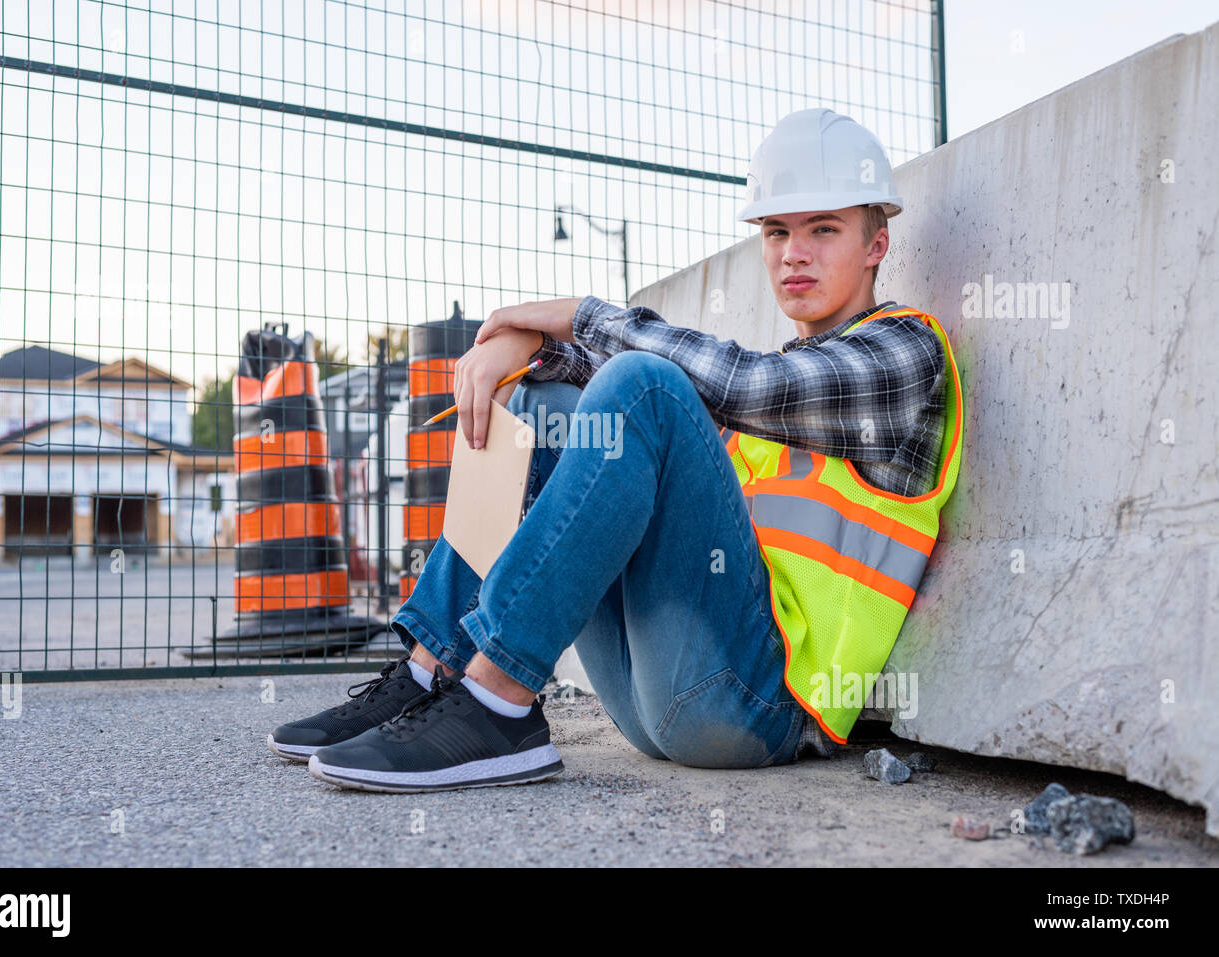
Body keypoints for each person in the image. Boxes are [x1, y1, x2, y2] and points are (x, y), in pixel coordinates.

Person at [267, 107, 965, 793]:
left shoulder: (906, 354)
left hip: (758, 706)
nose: (794, 252)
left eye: (823, 229)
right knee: (551, 411)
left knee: (645, 386)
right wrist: (531, 352)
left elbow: (736, 384)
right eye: (777, 230)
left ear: (875, 245)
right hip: (653, 695)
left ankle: (496, 704)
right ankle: (431, 671)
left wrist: (577, 318)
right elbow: (670, 405)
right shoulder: (783, 377)